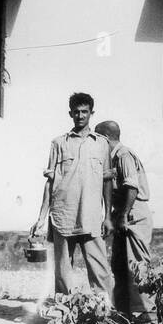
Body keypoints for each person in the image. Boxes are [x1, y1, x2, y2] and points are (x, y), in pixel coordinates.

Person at [30, 92, 114, 302]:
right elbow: (50, 182)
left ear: (91, 113)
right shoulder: (59, 143)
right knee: (63, 271)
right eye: (76, 112)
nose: (80, 116)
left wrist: (108, 216)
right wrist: (41, 218)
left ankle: (103, 313)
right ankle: (64, 313)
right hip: (63, 215)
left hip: (91, 216)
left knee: (100, 269)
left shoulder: (101, 144)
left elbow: (107, 181)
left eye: (84, 112)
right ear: (70, 114)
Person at [91, 120, 154, 320]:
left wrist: (124, 215)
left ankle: (145, 314)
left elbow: (132, 187)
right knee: (119, 265)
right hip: (123, 214)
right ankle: (124, 312)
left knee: (136, 265)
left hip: (133, 214)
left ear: (106, 139)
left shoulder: (123, 155)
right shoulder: (112, 157)